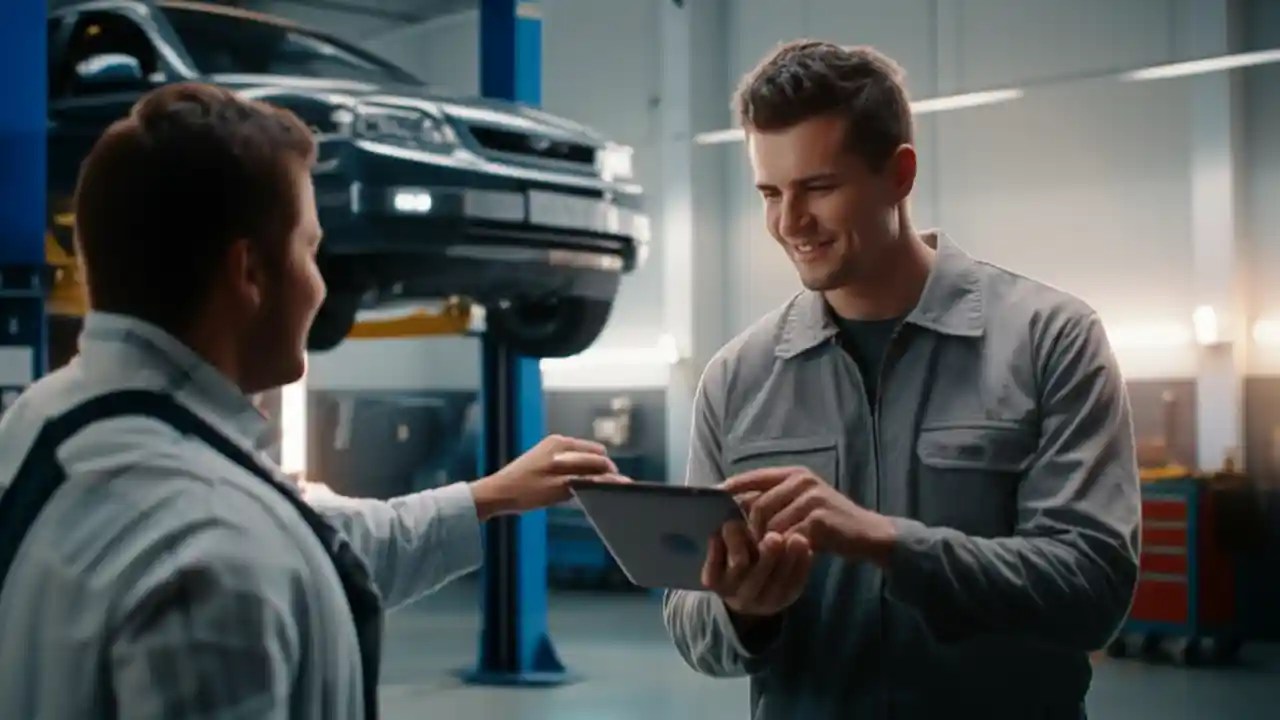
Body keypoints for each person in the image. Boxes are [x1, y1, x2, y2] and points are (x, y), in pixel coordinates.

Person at [0, 82, 622, 719]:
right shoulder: (216, 554)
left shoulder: (40, 426)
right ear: (249, 273)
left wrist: (490, 495)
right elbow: (264, 543)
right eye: (309, 250)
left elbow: (324, 538)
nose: (321, 288)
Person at [662, 41, 1141, 720]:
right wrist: (742, 611)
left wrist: (889, 543)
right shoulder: (737, 380)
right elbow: (688, 620)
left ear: (900, 174)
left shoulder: (1050, 340)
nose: (790, 222)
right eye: (771, 192)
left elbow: (1092, 592)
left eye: (819, 188)